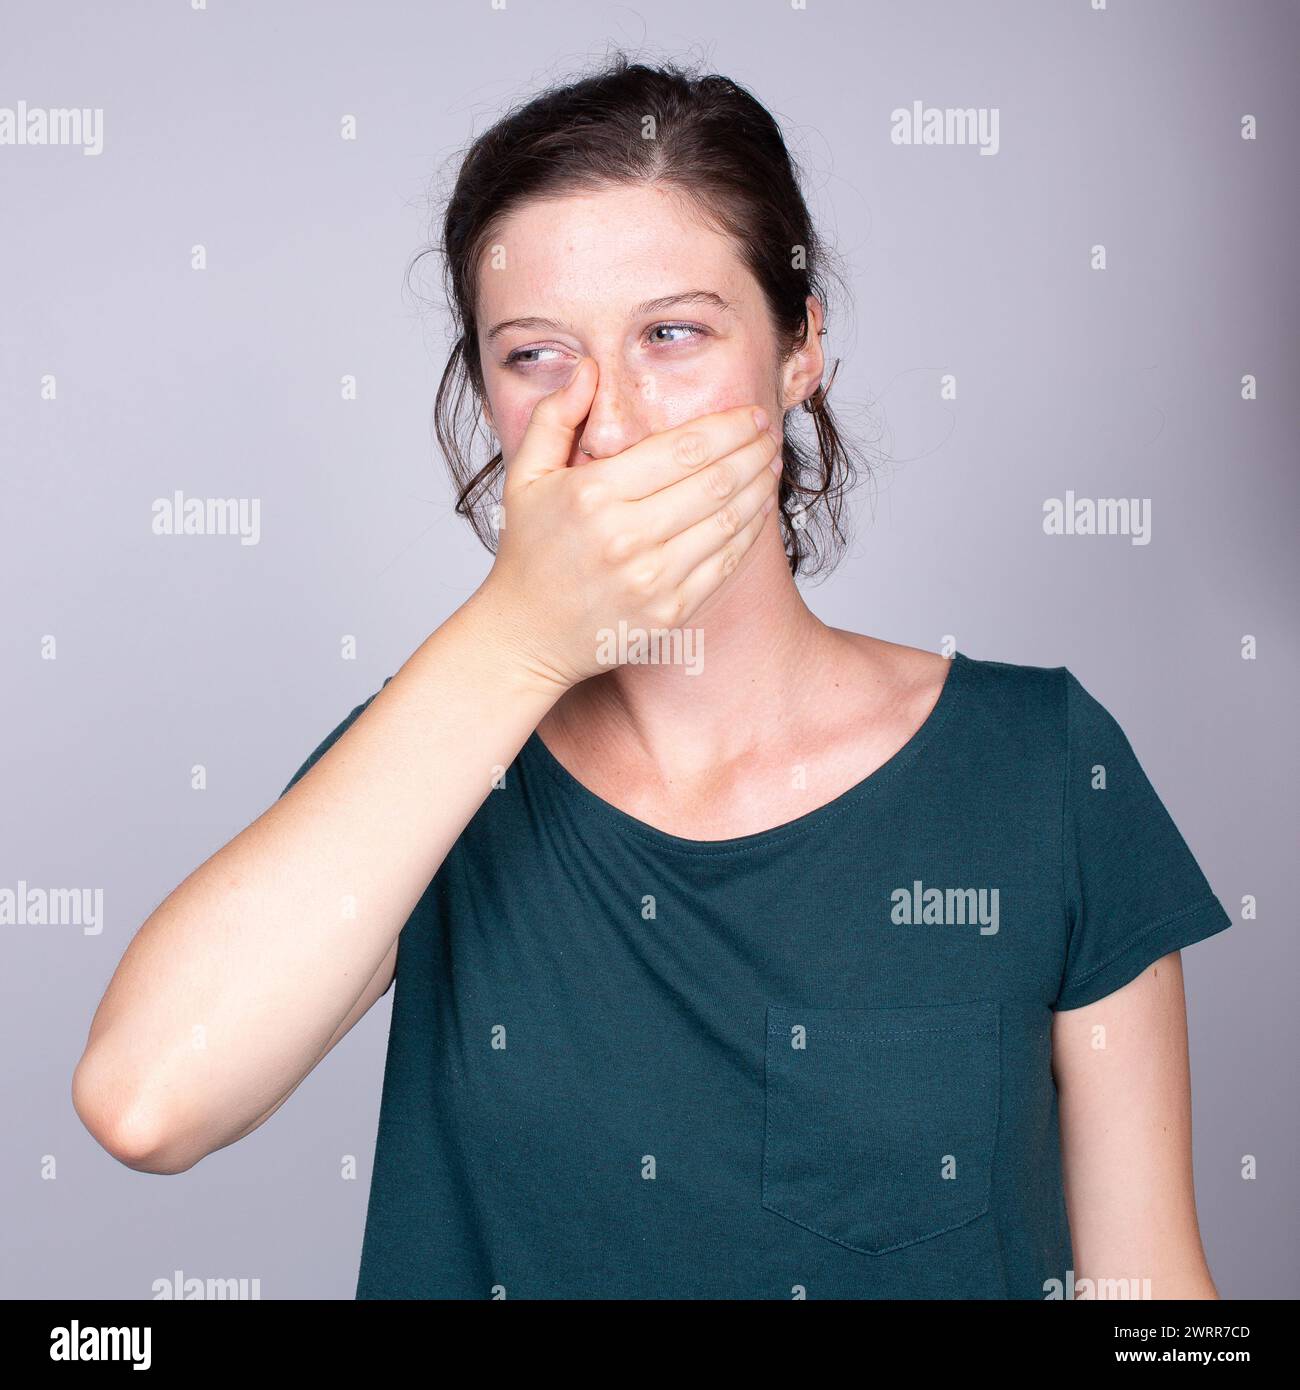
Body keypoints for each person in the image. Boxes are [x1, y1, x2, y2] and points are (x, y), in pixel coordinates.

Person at [72, 55, 1234, 1300]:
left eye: (672, 334)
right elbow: (148, 1100)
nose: (610, 420)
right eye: (535, 357)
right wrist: (521, 632)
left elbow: (1152, 1302)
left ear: (800, 352)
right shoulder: (439, 758)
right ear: (486, 399)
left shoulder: (1041, 765)